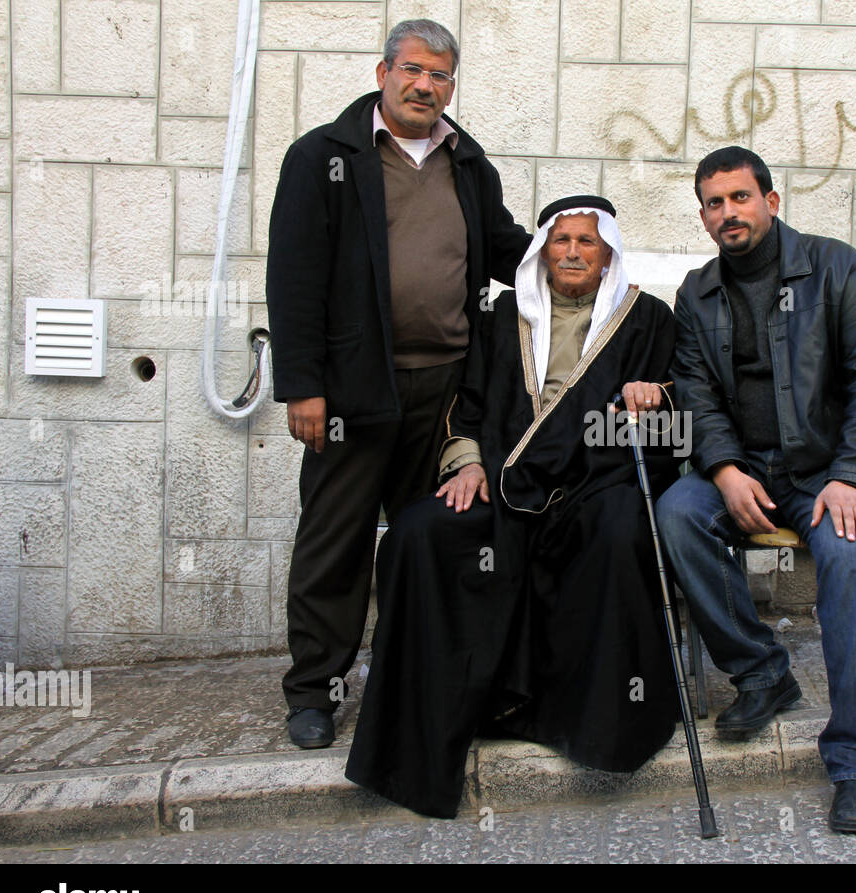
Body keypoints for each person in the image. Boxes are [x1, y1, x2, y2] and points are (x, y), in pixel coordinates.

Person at [346, 195, 681, 818]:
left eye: (587, 241)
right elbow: (466, 404)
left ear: (608, 252)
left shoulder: (649, 320)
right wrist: (467, 462)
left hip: (593, 485)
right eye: (561, 241)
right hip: (502, 480)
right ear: (543, 251)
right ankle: (430, 728)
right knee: (419, 532)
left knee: (618, 533)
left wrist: (652, 400)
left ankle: (592, 724)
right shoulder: (507, 315)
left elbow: (674, 427)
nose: (574, 252)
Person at [266, 19, 531, 749]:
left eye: (440, 75)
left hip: (445, 391)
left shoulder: (468, 163)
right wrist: (302, 385)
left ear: (452, 85)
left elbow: (504, 245)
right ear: (382, 72)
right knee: (335, 541)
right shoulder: (324, 156)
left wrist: (576, 250)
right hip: (351, 393)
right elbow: (293, 278)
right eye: (413, 70)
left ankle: (417, 677)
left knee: (429, 539)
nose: (425, 85)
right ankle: (316, 690)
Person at [655, 147, 856, 834]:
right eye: (713, 202)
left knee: (849, 558)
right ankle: (762, 668)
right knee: (676, 513)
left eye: (739, 197)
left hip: (828, 472)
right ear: (703, 214)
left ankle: (855, 761)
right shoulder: (697, 293)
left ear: (771, 200)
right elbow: (698, 395)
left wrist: (853, 476)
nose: (727, 212)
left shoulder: (835, 268)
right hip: (745, 470)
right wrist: (726, 469)